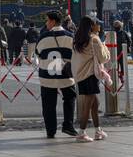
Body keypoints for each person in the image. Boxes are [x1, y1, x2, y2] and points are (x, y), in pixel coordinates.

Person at [35, 11, 77, 139]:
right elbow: (76, 54)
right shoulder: (70, 37)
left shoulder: (43, 37)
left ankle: (50, 130)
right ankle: (68, 125)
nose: (46, 23)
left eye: (47, 20)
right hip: (66, 76)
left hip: (47, 76)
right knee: (69, 99)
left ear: (53, 21)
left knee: (48, 104)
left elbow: (38, 54)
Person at [71, 16, 110, 142]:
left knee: (95, 104)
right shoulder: (94, 39)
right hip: (90, 75)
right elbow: (104, 58)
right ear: (92, 26)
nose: (100, 26)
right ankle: (81, 132)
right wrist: (104, 45)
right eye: (98, 24)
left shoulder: (77, 39)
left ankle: (98, 130)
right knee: (88, 105)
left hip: (81, 75)